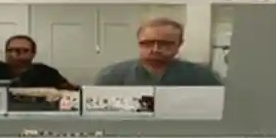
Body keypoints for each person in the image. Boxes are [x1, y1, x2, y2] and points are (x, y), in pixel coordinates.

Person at [94, 18, 222, 86]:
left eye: (165, 44)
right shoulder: (111, 76)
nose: (155, 49)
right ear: (138, 42)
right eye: (147, 43)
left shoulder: (203, 77)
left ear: (179, 44)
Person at [0, 35, 75, 89]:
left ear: (33, 53)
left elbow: (71, 90)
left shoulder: (46, 72)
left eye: (23, 50)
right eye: (11, 50)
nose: (15, 54)